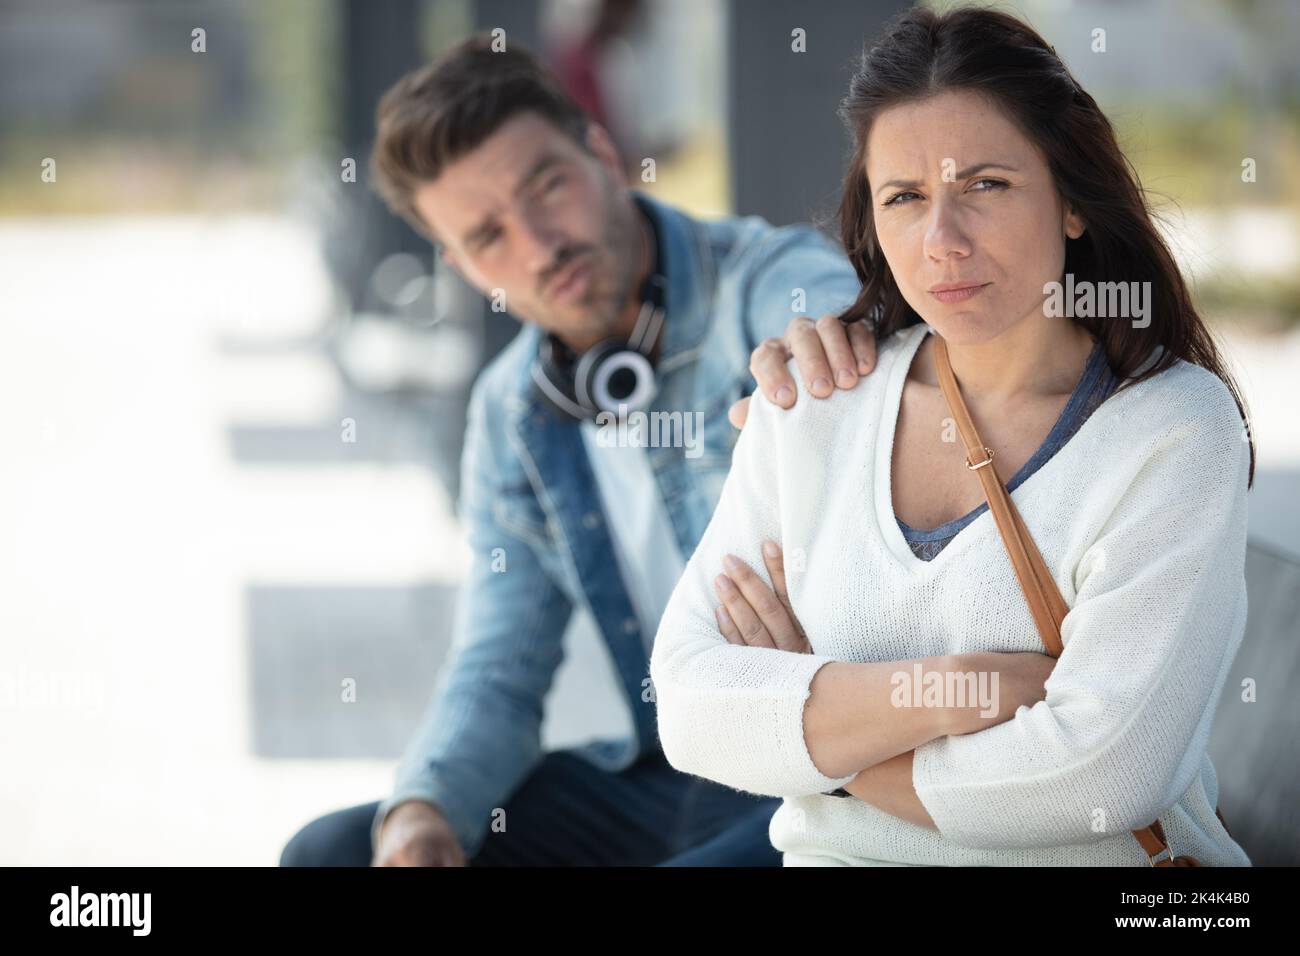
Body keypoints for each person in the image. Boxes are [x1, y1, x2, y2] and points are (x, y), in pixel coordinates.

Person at [650, 5, 1256, 866]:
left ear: (1073, 203)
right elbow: (690, 705)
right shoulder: (815, 404)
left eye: (984, 185)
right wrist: (952, 694)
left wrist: (819, 730)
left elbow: (1100, 780)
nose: (942, 241)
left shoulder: (1171, 432)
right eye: (905, 198)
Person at [279, 34, 878, 867]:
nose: (536, 245)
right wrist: (422, 814)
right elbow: (499, 668)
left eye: (546, 187)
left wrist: (825, 345)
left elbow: (831, 315)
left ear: (601, 151)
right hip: (673, 774)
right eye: (489, 236)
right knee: (337, 851)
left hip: (826, 765)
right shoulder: (509, 414)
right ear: (460, 265)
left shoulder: (761, 280)